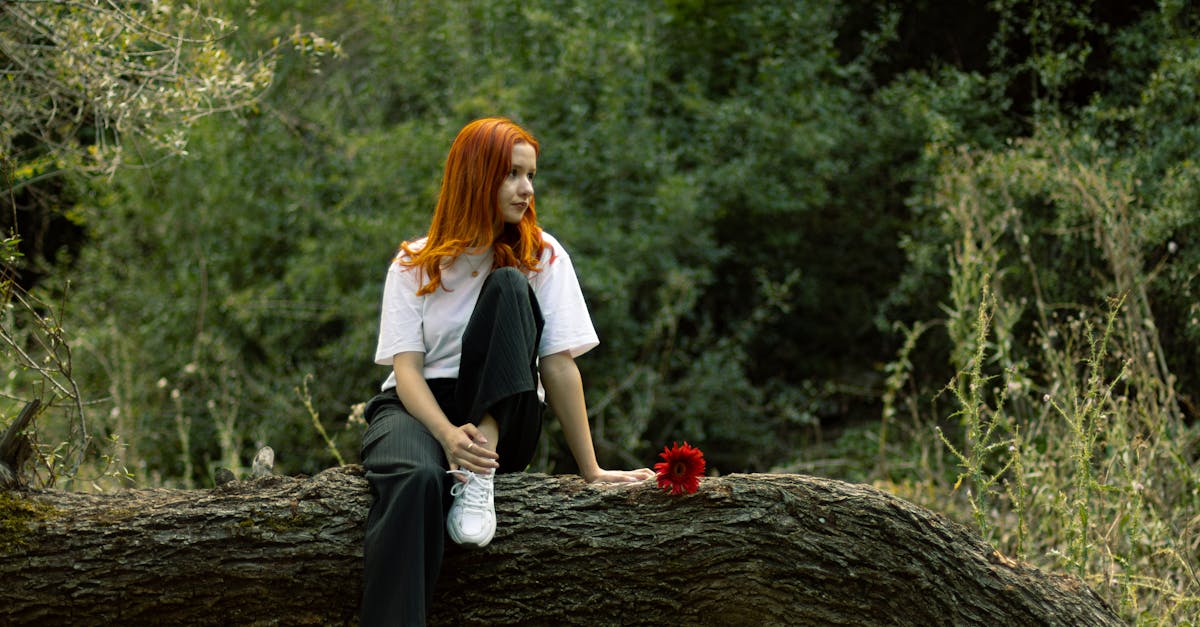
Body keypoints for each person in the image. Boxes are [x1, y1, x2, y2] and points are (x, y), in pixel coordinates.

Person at [359, 117, 653, 626]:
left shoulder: (542, 255)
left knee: (510, 286)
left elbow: (557, 365)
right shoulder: (413, 262)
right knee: (416, 479)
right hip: (418, 410)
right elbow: (406, 371)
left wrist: (592, 470)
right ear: (477, 176)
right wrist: (448, 435)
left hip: (507, 411)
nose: (528, 189)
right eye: (513, 174)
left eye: (531, 174)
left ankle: (478, 470)